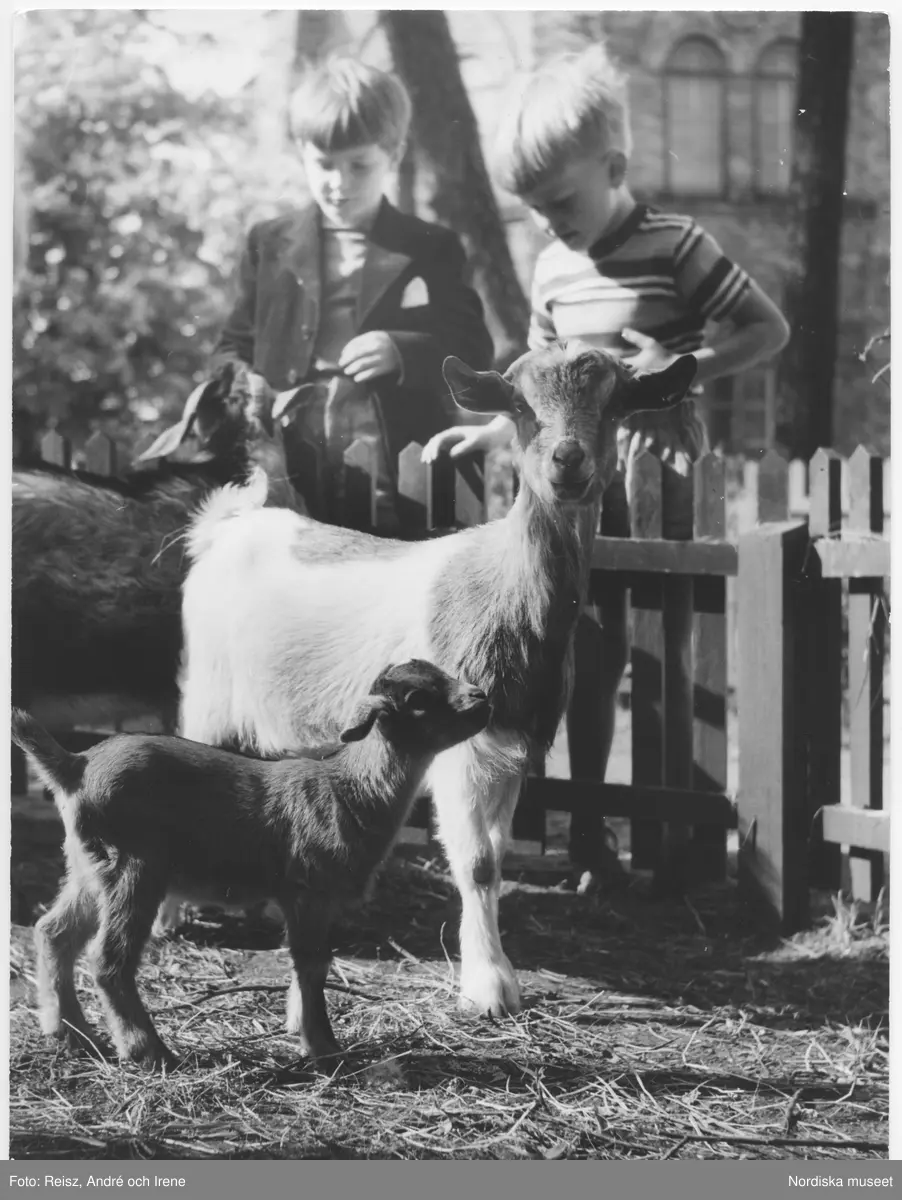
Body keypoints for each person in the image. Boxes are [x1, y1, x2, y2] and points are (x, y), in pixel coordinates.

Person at [423, 42, 790, 889]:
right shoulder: (554, 267)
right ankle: (587, 838)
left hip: (656, 483)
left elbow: (765, 330)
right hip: (574, 505)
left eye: (560, 200)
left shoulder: (676, 245)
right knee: (582, 658)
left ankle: (678, 850)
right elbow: (542, 384)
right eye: (535, 209)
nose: (550, 223)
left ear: (614, 166)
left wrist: (681, 366)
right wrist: (494, 435)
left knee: (665, 655)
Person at [213, 56, 494, 526]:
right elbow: (230, 346)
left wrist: (403, 350)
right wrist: (245, 381)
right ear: (302, 151)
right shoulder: (269, 244)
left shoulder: (432, 248)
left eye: (359, 166)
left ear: (394, 155)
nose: (338, 184)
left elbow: (473, 349)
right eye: (324, 165)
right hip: (290, 461)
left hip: (396, 466)